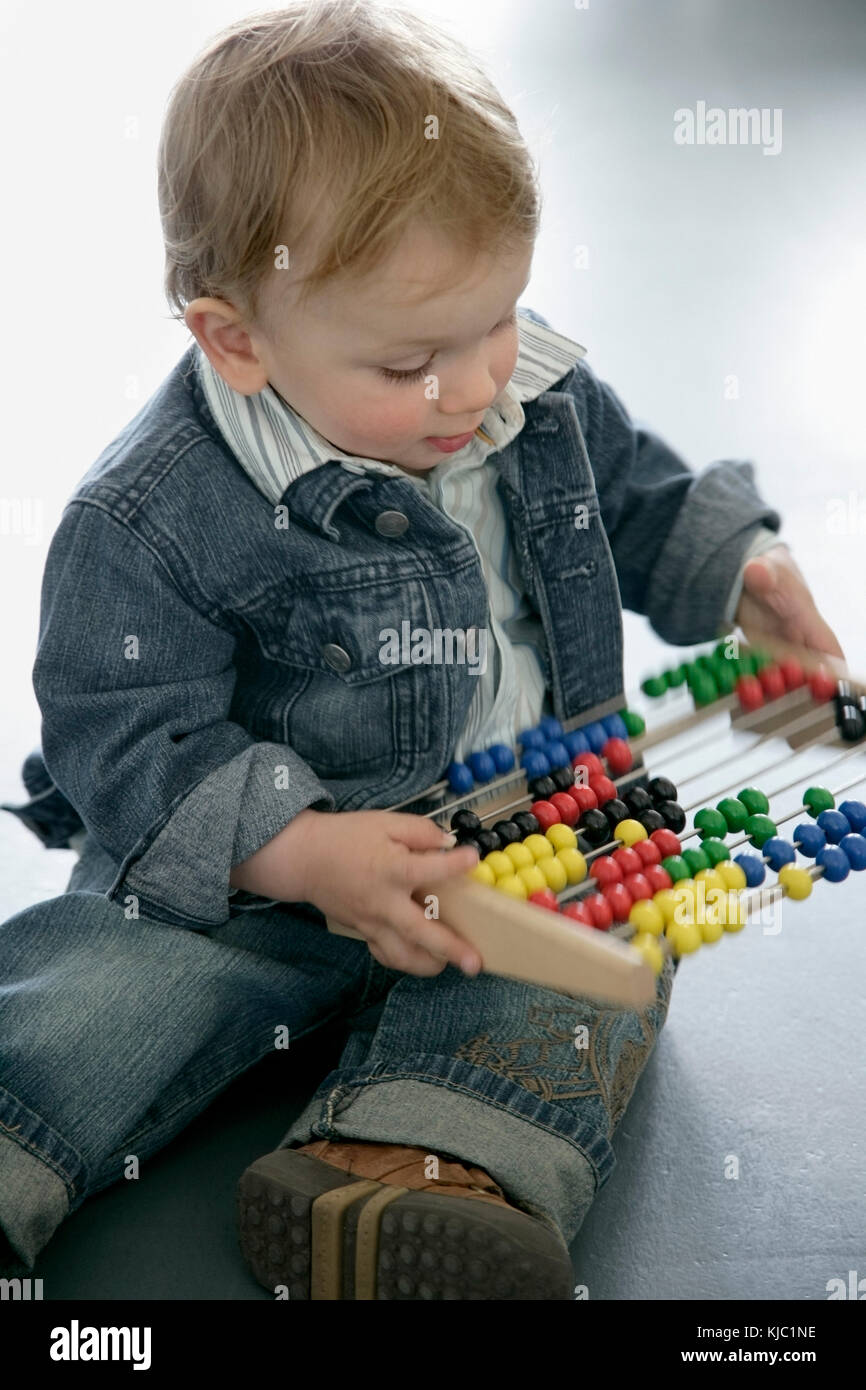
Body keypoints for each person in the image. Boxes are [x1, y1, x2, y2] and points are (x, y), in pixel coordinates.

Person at [0, 0, 842, 1300]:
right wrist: (292, 848)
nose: (473, 386)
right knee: (104, 987)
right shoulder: (155, 511)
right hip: (248, 878)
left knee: (588, 965)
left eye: (495, 320)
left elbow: (644, 499)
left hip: (521, 834)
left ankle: (410, 1163)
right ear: (236, 339)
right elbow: (124, 725)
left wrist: (741, 573)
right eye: (410, 362)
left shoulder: (526, 391)